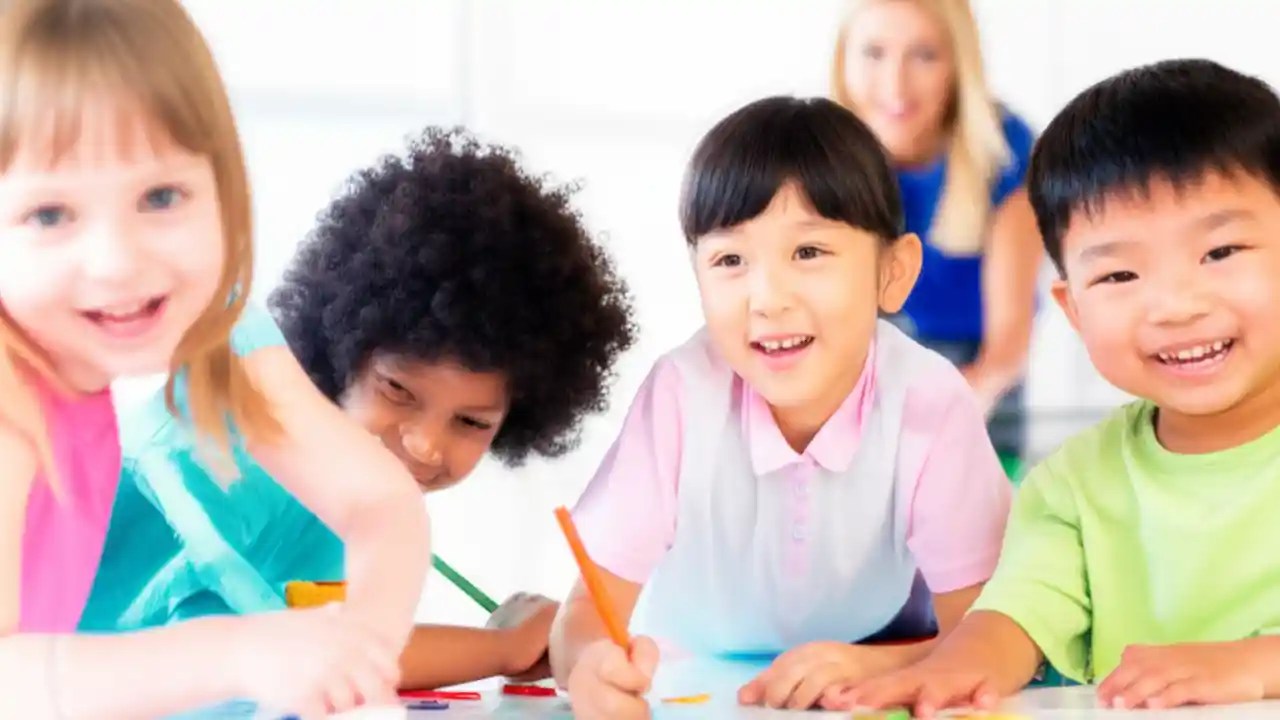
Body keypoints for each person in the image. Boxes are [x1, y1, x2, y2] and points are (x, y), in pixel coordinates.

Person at [81, 127, 638, 691]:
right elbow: (307, 654)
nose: (424, 444)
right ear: (339, 352)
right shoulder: (248, 444)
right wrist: (498, 647)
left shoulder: (349, 503)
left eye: (470, 422)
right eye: (398, 390)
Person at [0, 1, 428, 716]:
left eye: (160, 196)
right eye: (50, 215)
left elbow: (381, 501)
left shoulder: (197, 323)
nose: (117, 261)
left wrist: (361, 649)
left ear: (225, 194)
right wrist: (241, 652)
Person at [831, 59, 1280, 717]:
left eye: (1220, 252)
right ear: (1073, 311)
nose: (1175, 307)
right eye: (1120, 276)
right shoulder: (1072, 484)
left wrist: (1254, 665)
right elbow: (1015, 618)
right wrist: (946, 672)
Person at [549, 96, 1011, 719]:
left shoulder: (929, 400)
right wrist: (589, 666)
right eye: (730, 261)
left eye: (809, 253)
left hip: (855, 683)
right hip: (682, 681)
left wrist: (876, 664)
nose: (767, 298)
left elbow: (986, 634)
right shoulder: (682, 393)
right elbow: (582, 616)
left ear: (893, 272)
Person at [831, 0, 1042, 476]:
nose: (895, 84)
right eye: (874, 53)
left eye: (924, 55)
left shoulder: (1004, 154)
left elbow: (1007, 348)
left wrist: (947, 417)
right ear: (844, 59)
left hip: (974, 393)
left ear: (958, 65)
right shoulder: (817, 153)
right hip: (856, 383)